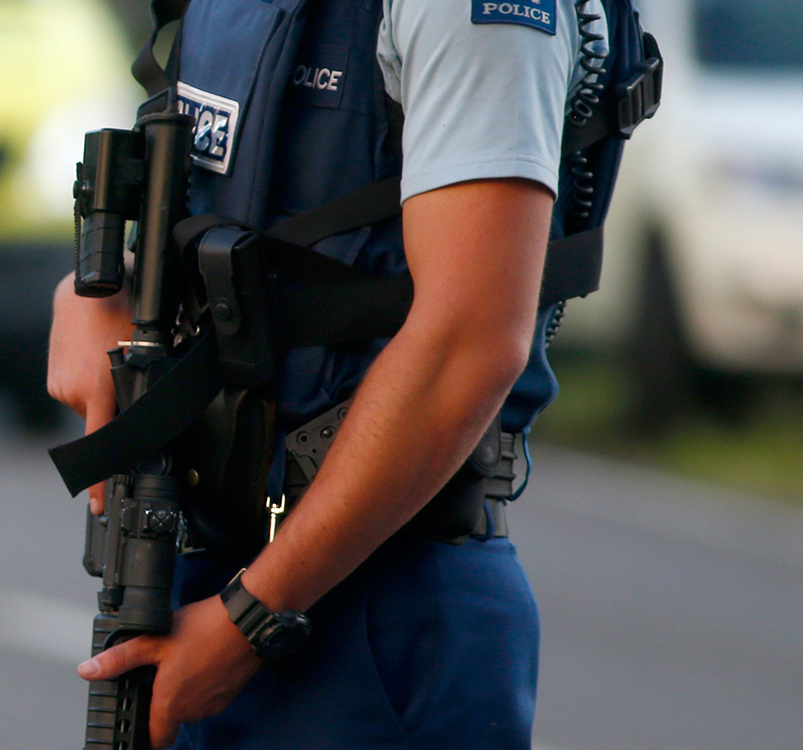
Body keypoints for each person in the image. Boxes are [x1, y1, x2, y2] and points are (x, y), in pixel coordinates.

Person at [48, 0, 609, 747]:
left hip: (372, 609)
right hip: (215, 581)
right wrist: (99, 290)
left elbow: (468, 343)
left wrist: (251, 618)